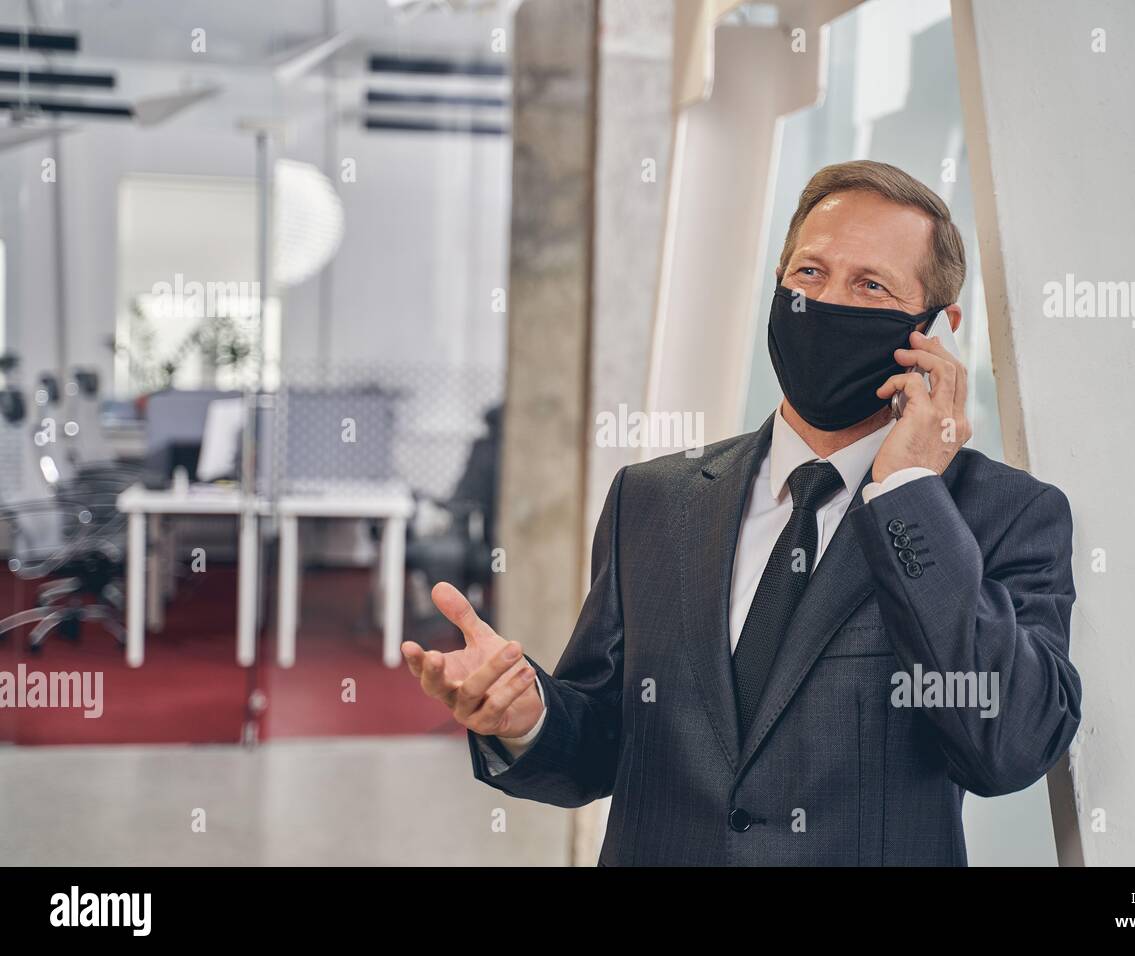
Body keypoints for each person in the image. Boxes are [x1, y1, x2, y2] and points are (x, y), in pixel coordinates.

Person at [401, 160, 1081, 866]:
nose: (826, 302)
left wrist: (909, 490)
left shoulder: (1004, 515)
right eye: (809, 275)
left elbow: (1009, 747)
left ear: (937, 330)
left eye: (869, 285)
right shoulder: (653, 499)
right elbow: (605, 739)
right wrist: (528, 717)